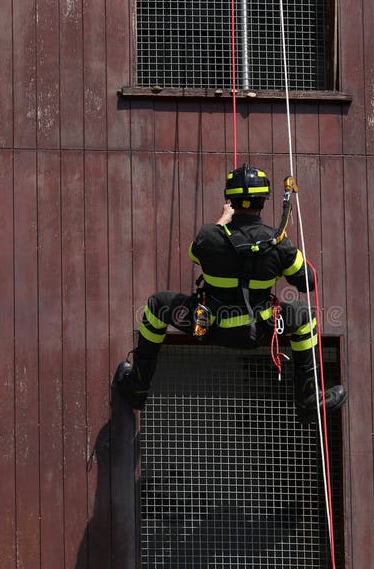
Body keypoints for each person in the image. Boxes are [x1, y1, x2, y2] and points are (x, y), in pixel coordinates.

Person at [113, 164, 347, 422]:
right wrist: (286, 250)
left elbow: (194, 253)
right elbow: (308, 282)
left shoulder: (209, 236)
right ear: (264, 201)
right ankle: (308, 397)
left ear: (230, 201)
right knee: (305, 315)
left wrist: (222, 221)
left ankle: (138, 386)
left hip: (208, 327)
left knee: (158, 305)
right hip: (260, 331)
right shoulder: (278, 243)